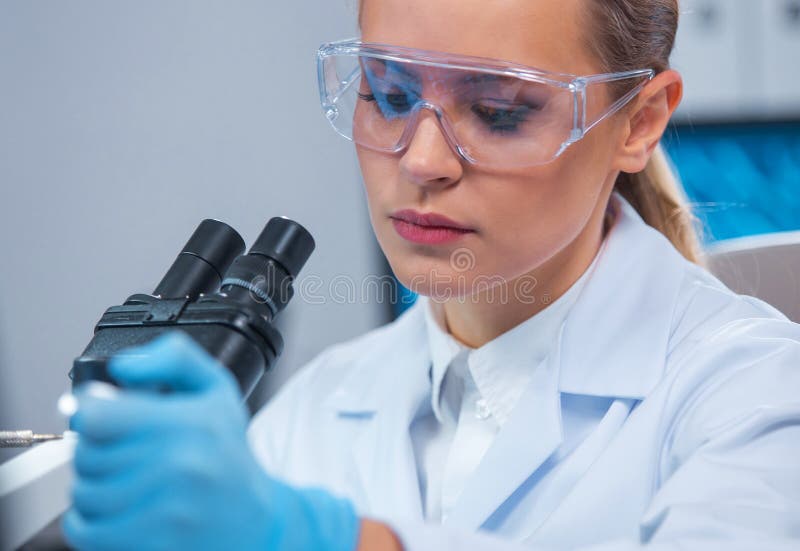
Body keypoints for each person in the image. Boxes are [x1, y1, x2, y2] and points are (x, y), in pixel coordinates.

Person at [62, 0, 800, 550]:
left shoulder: (752, 390)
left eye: (500, 111)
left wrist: (329, 539)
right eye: (388, 93)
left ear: (637, 122)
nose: (421, 161)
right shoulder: (315, 414)